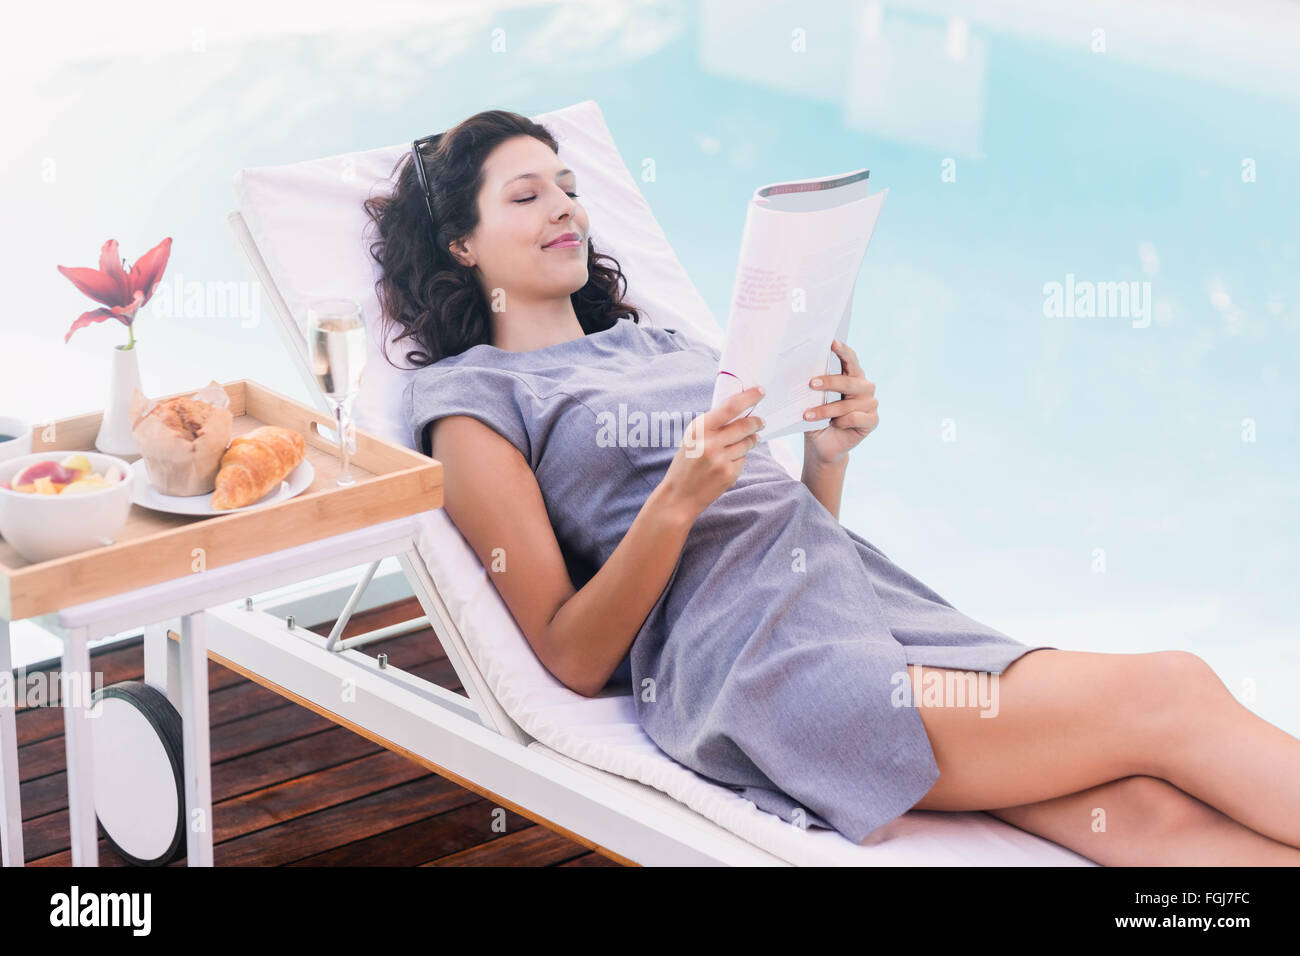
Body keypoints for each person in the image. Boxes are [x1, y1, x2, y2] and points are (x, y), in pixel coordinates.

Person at [363, 109, 1300, 865]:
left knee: (1145, 816)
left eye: (568, 187)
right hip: (769, 673)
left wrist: (827, 455)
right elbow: (569, 655)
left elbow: (785, 534)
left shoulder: (666, 347)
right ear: (462, 247)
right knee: (1170, 692)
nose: (564, 207)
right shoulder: (472, 401)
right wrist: (677, 499)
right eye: (526, 196)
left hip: (867, 609)